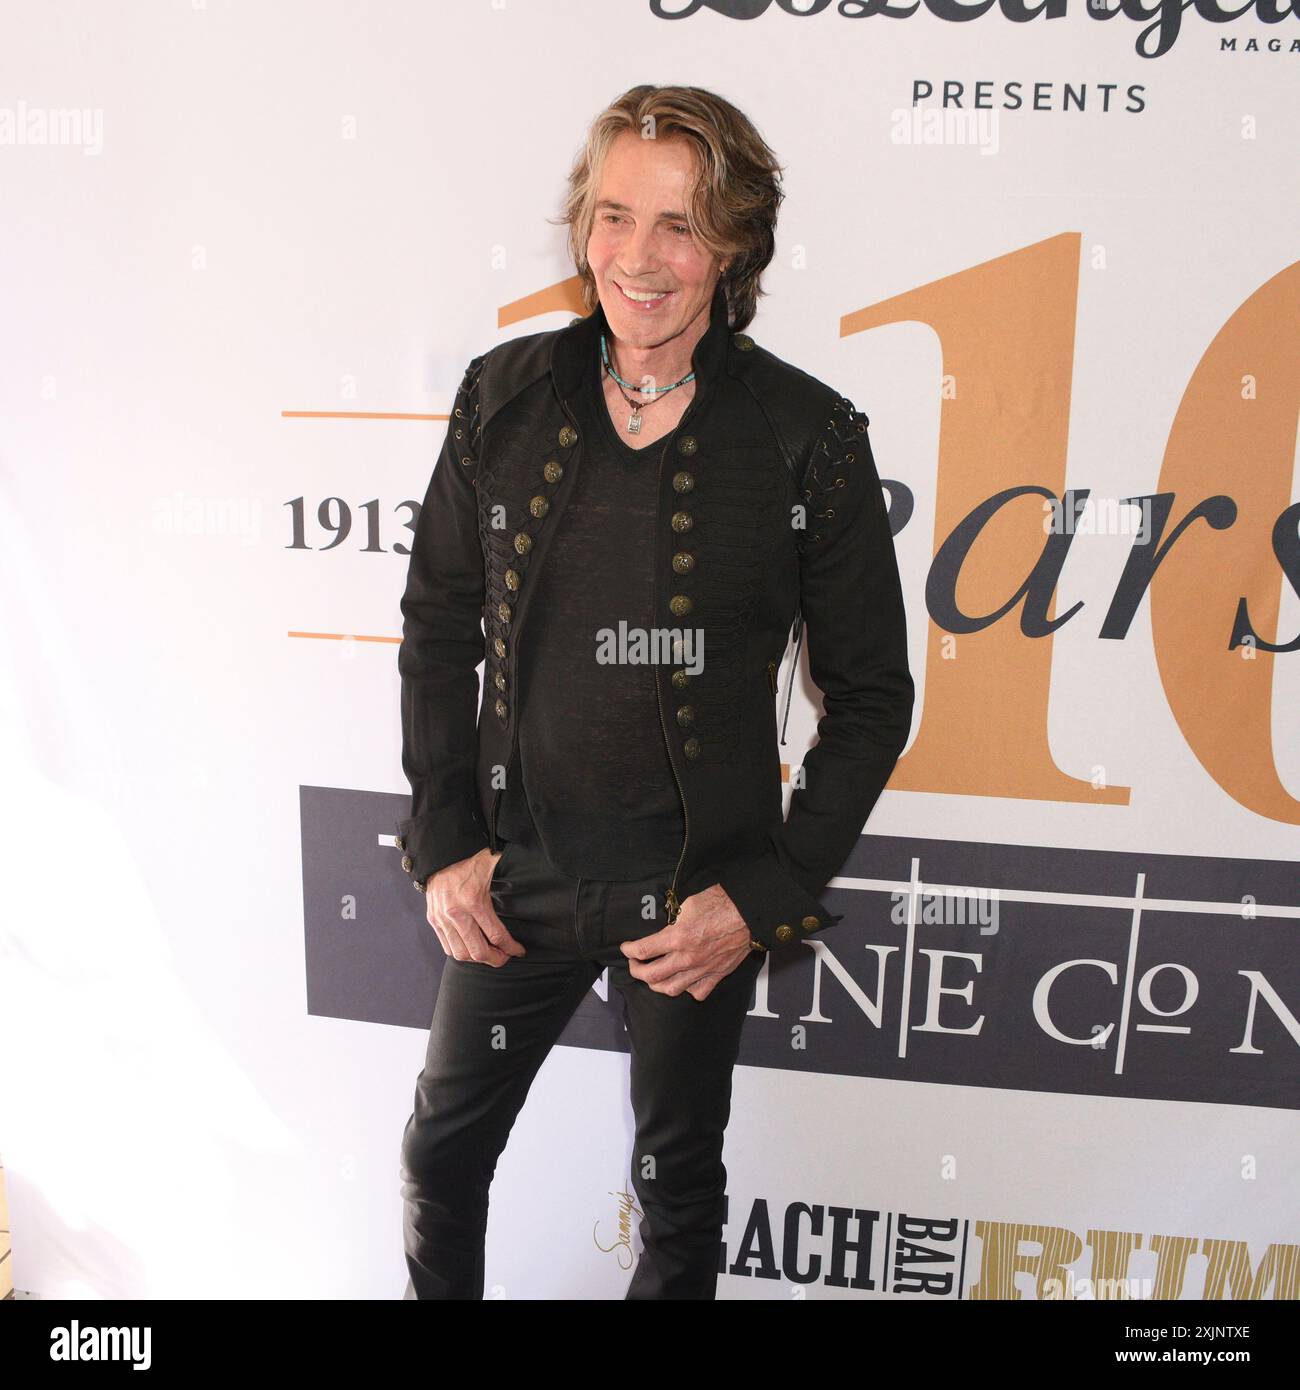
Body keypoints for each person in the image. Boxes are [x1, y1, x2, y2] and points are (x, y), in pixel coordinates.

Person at [394, 84, 914, 1300]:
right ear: (583, 229)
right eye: (615, 216)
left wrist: (764, 895)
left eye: (678, 226)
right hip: (514, 874)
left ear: (732, 247)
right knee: (440, 1155)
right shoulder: (500, 398)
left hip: (694, 902)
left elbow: (873, 697)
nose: (639, 258)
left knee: (679, 1190)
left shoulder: (809, 437)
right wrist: (444, 840)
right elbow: (435, 624)